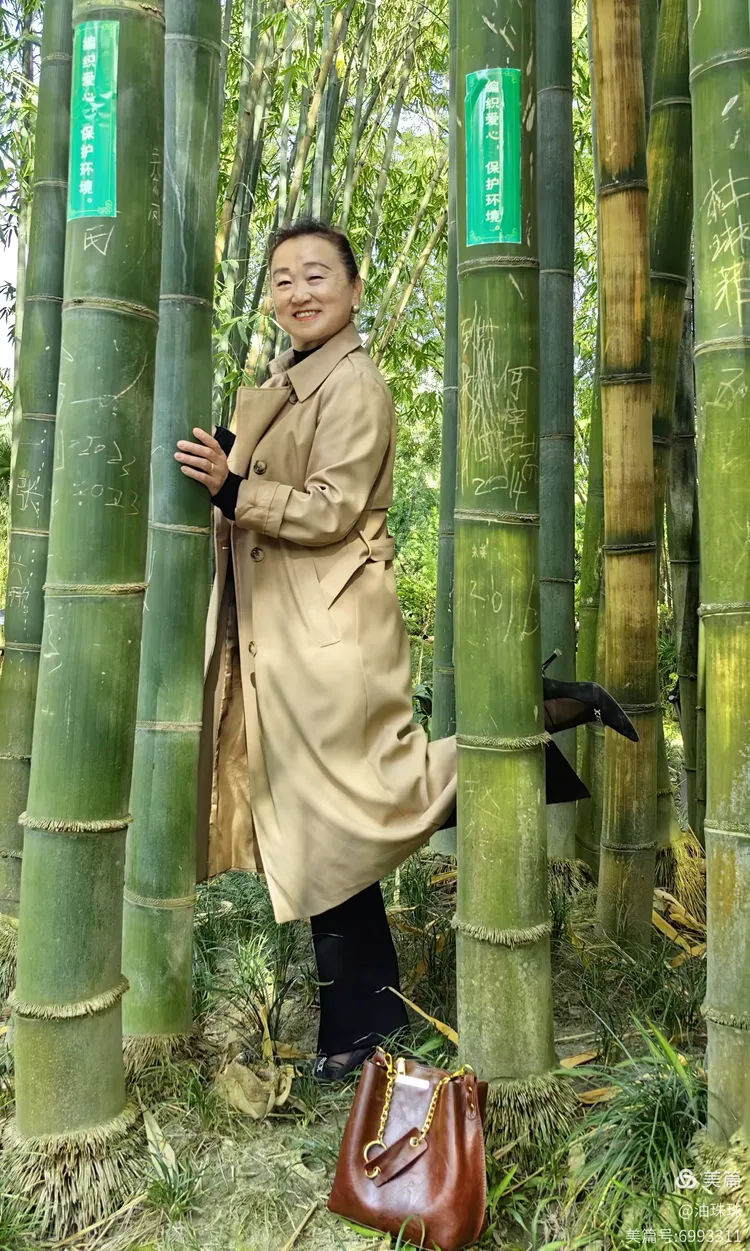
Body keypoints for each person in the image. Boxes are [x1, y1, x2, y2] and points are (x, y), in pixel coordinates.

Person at [177, 218, 636, 1083]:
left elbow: (331, 507)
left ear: (354, 290)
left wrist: (237, 487)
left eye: (317, 275)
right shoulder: (283, 382)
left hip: (329, 629)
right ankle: (359, 1028)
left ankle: (526, 724)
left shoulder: (356, 382)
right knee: (326, 829)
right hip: (285, 625)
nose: (298, 291)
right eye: (282, 279)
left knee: (353, 812)